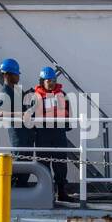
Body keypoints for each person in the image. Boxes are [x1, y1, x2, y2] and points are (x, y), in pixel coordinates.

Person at [33, 66, 73, 201]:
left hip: (58, 134)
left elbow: (68, 115)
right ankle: (46, 194)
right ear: (42, 81)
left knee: (60, 164)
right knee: (43, 164)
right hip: (42, 135)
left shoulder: (62, 95)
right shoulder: (35, 96)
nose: (51, 83)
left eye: (53, 80)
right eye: (48, 80)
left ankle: (61, 193)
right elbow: (31, 116)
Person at [0, 57, 34, 186]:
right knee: (19, 161)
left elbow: (22, 104)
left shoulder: (17, 90)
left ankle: (21, 186)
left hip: (26, 134)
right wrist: (20, 114)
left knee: (27, 161)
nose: (18, 76)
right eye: (16, 74)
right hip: (18, 135)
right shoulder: (5, 92)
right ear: (7, 75)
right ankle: (12, 189)